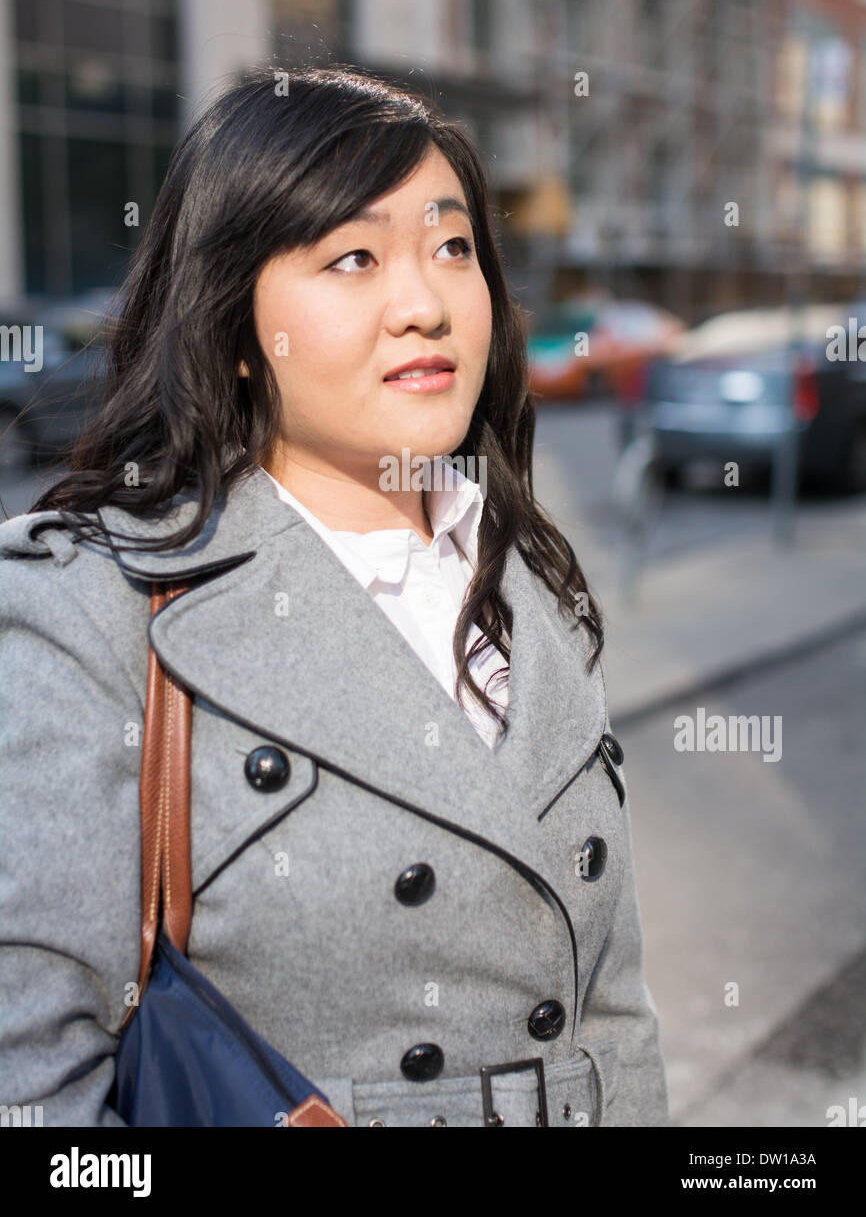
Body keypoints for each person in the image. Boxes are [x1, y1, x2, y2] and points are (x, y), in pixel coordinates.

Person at [0, 63, 668, 1127]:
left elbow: (612, 1019)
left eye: (451, 247)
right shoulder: (96, 611)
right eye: (352, 257)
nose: (424, 303)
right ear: (230, 324)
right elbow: (31, 1093)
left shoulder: (521, 574)